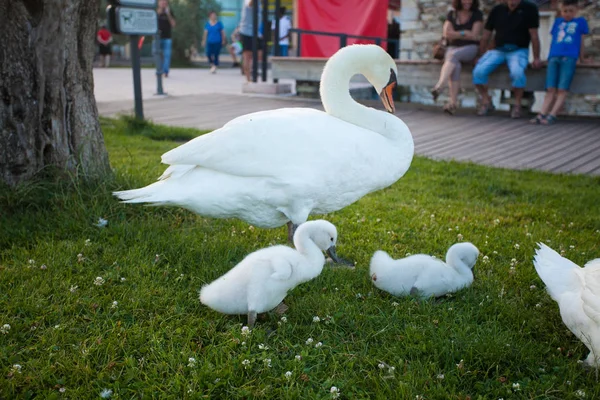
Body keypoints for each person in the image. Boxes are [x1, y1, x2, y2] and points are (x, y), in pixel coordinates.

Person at [472, 0, 542, 118]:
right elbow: (486, 35)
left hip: (518, 50)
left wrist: (536, 58)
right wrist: (481, 55)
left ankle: (517, 105)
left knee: (517, 72)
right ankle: (486, 100)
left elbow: (534, 36)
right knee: (478, 71)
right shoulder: (497, 10)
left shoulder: (530, 8)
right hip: (499, 50)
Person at [529, 0, 589, 125]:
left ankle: (553, 114)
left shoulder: (580, 22)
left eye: (571, 11)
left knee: (562, 88)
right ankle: (542, 114)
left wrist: (581, 58)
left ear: (576, 10)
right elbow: (554, 40)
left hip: (569, 57)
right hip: (554, 56)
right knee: (550, 87)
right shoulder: (558, 22)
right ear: (561, 11)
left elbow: (581, 42)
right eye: (565, 11)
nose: (567, 14)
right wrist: (549, 55)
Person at [430, 0, 483, 115]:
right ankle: (453, 104)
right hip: (452, 48)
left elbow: (474, 35)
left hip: (470, 48)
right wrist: (464, 33)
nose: (467, 1)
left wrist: (456, 33)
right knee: (456, 65)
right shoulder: (452, 14)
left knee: (453, 55)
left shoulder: (477, 14)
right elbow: (446, 34)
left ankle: (439, 86)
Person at [238, 0, 263, 82]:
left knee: (259, 54)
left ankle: (251, 69)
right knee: (247, 56)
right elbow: (249, 3)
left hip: (256, 32)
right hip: (246, 31)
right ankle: (248, 79)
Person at [157, 0, 176, 77]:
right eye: (162, 2)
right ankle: (159, 70)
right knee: (156, 54)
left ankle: (165, 72)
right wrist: (159, 12)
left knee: (167, 55)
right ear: (158, 3)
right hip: (157, 37)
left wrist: (168, 14)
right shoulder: (155, 12)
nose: (163, 4)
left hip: (167, 38)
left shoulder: (170, 12)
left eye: (165, 3)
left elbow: (173, 24)